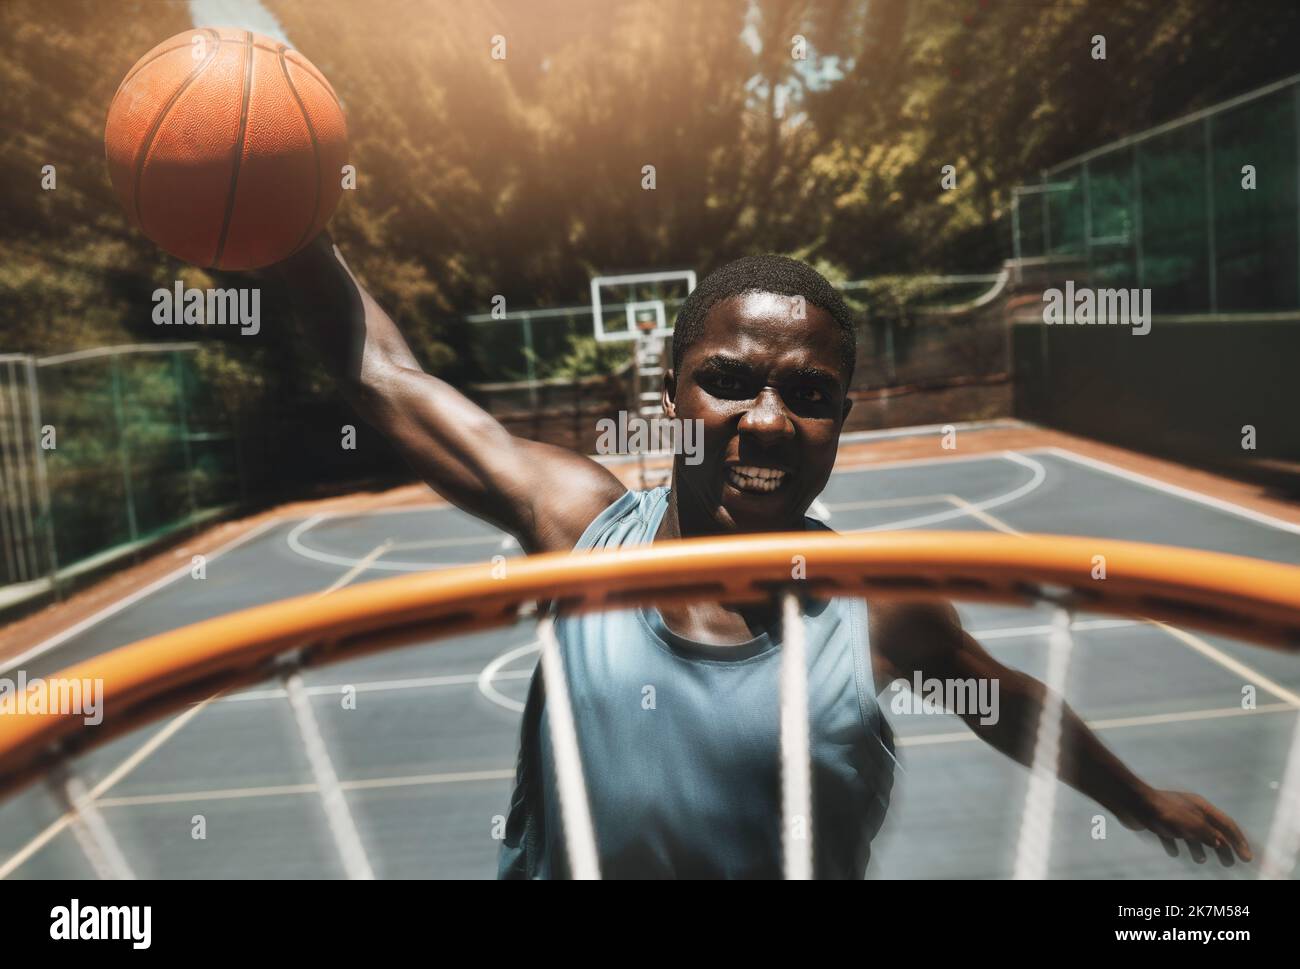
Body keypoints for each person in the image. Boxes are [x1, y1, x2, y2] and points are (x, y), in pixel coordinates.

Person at [277, 235, 1252, 878]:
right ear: (671, 395)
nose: (768, 420)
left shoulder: (880, 612)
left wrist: (1135, 799)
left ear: (840, 419)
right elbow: (384, 376)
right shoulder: (576, 525)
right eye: (728, 382)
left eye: (809, 394)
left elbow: (999, 701)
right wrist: (288, 227)